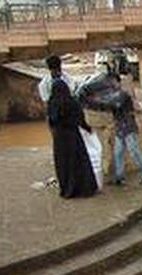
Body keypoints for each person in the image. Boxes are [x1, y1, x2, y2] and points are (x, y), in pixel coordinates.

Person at [46, 57, 97, 199]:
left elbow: (51, 119)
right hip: (73, 136)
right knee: (78, 162)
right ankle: (83, 189)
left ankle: (67, 190)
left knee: (63, 164)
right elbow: (79, 116)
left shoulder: (52, 102)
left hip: (59, 138)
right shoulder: (70, 102)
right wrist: (87, 128)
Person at [110, 87, 142, 186]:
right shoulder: (112, 97)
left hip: (128, 128)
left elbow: (132, 107)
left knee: (134, 152)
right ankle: (119, 176)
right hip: (120, 128)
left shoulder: (123, 96)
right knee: (118, 153)